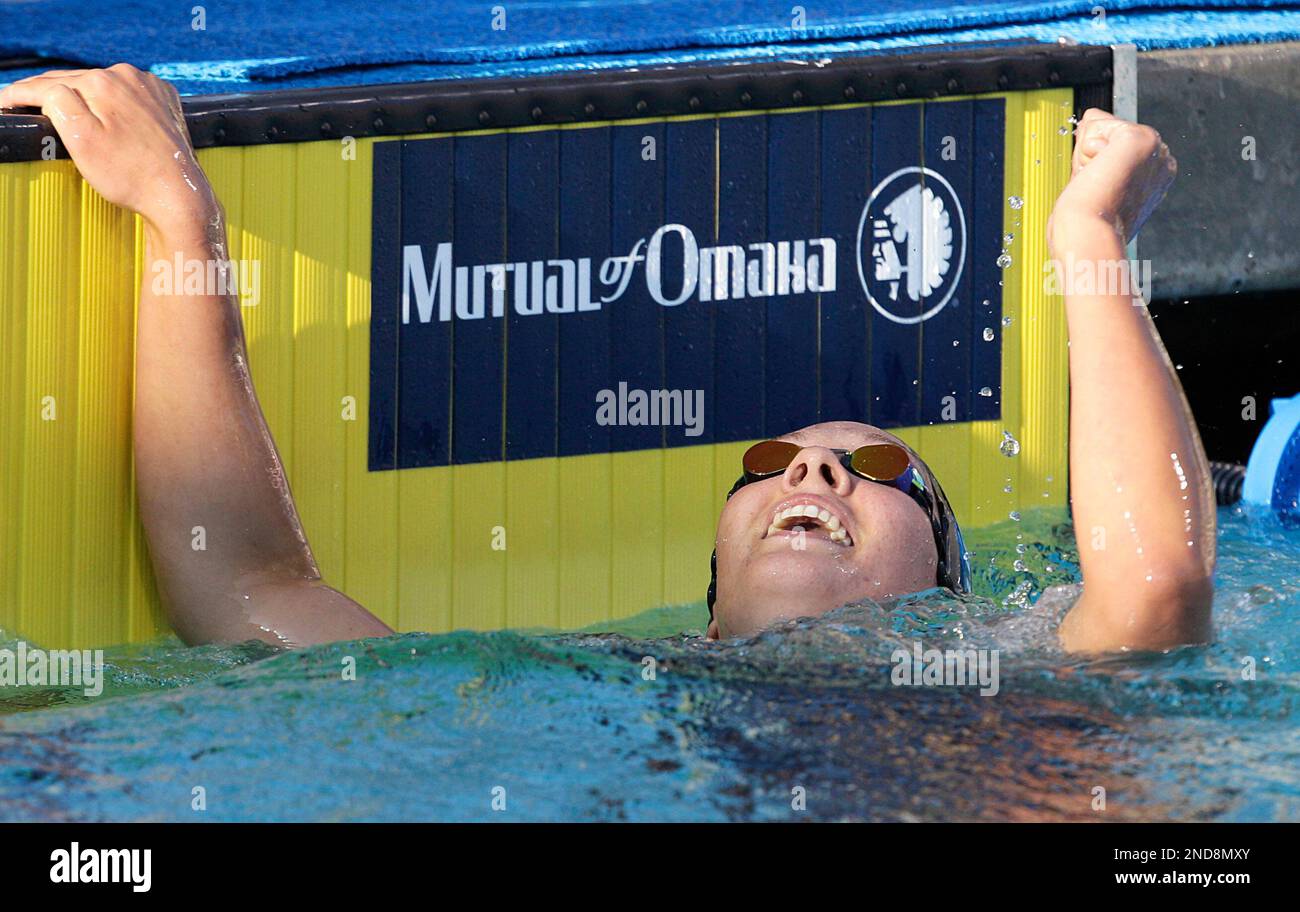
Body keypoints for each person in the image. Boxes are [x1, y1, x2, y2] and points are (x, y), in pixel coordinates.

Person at [0, 65, 1215, 653]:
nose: (812, 477)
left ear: (958, 593)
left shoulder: (993, 695)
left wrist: (1087, 240)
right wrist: (179, 219)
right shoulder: (610, 684)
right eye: (774, 462)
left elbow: (1152, 584)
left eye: (879, 466)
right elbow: (246, 592)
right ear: (708, 589)